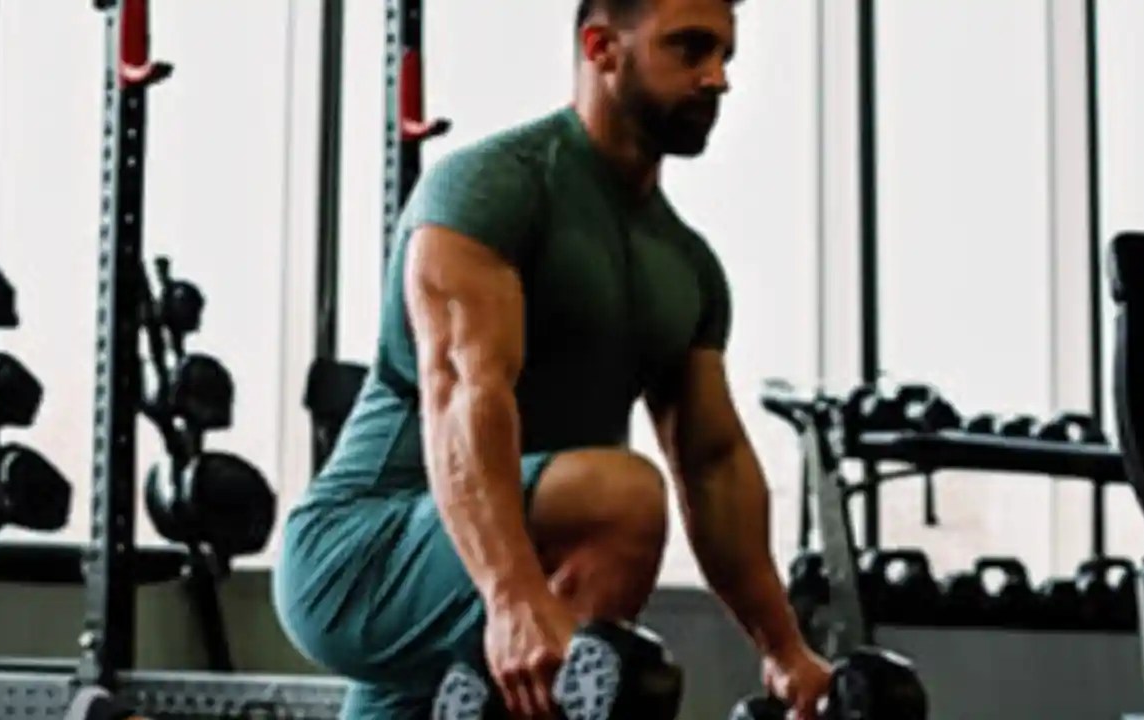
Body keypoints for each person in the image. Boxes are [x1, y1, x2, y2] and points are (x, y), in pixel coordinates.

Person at [273, 0, 834, 717]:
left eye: (726, 54)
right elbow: (461, 391)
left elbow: (715, 464)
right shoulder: (491, 187)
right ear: (601, 47)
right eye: (690, 49)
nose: (717, 77)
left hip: (496, 560)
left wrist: (783, 649)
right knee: (623, 499)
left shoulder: (688, 267)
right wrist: (511, 596)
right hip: (363, 555)